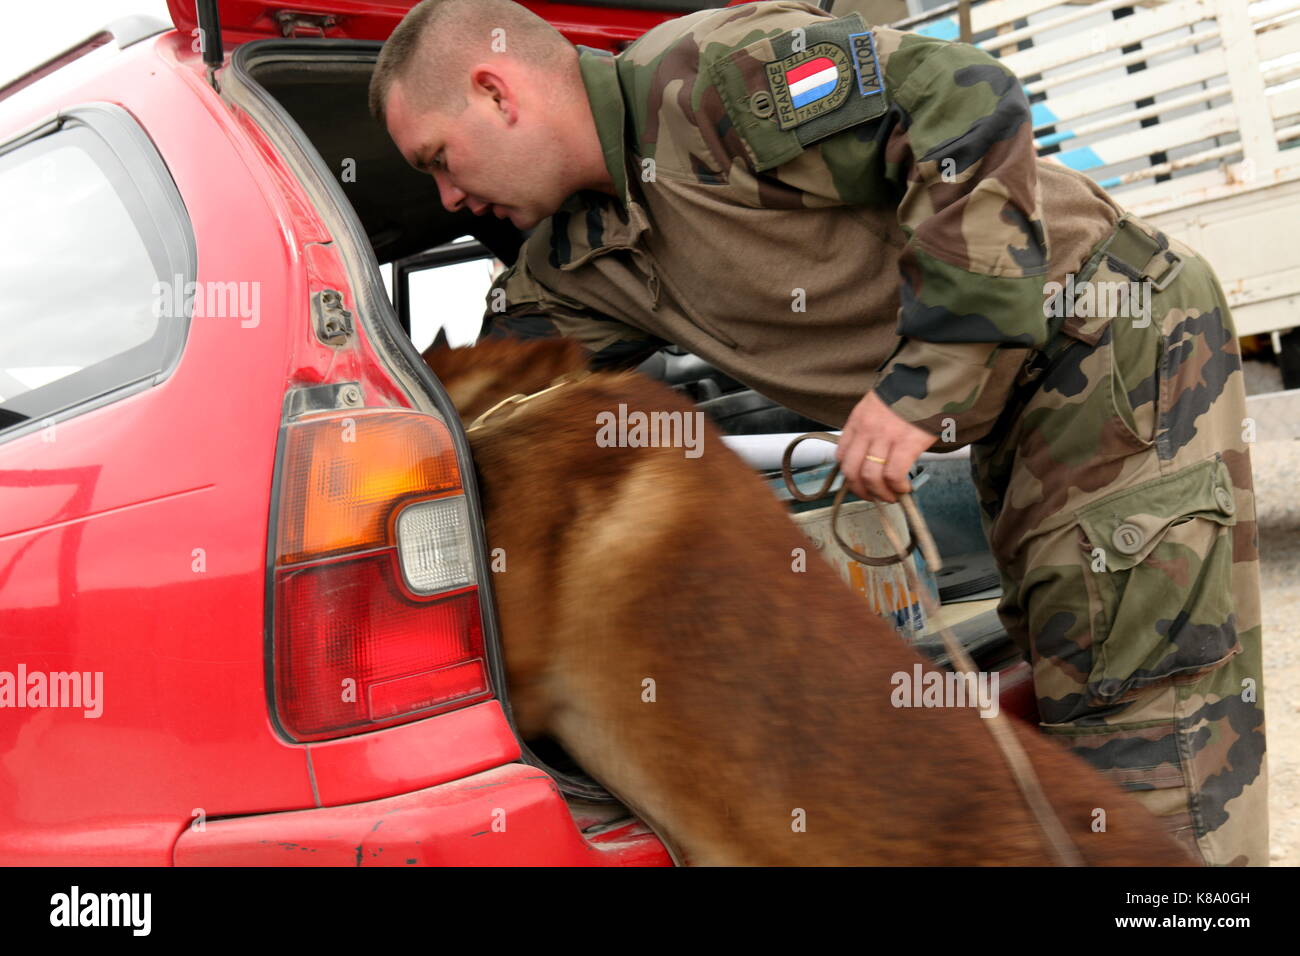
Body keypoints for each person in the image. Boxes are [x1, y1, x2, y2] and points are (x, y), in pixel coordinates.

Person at [369, 0, 1268, 865]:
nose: (448, 198)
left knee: (1154, 729)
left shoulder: (715, 81)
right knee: (1077, 673)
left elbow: (965, 96)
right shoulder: (572, 259)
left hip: (1112, 337)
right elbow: (479, 400)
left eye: (440, 158)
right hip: (1016, 401)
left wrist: (921, 380)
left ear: (497, 92)